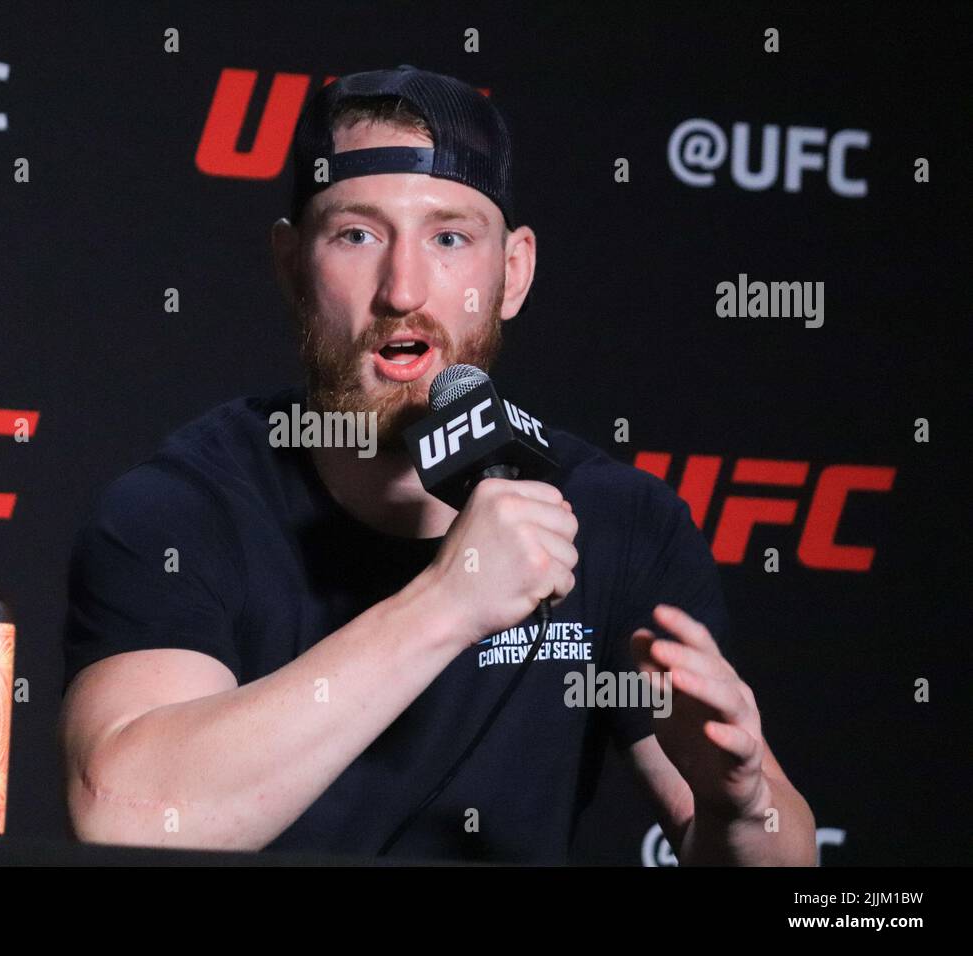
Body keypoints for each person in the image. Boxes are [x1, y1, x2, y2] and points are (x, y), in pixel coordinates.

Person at [59, 65, 816, 864]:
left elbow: (783, 867)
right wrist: (449, 603)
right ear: (291, 266)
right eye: (358, 234)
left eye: (449, 237)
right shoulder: (180, 510)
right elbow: (129, 814)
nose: (403, 290)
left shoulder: (618, 518)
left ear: (512, 273)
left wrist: (741, 805)